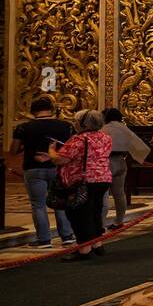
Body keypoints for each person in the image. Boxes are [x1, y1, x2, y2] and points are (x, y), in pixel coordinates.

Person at [46, 109, 113, 260]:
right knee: (95, 212)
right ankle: (98, 245)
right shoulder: (105, 137)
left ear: (84, 123)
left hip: (83, 181)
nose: (74, 124)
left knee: (79, 215)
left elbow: (60, 160)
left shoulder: (79, 139)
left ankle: (84, 249)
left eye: (76, 121)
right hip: (102, 179)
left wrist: (51, 150)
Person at [10, 96, 74, 247]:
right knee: (60, 202)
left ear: (32, 111)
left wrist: (26, 146)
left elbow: (13, 150)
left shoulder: (24, 127)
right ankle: (67, 236)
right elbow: (70, 148)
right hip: (57, 167)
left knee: (38, 205)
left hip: (33, 168)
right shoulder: (65, 126)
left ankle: (44, 240)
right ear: (51, 110)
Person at [101, 107, 150, 229]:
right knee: (119, 194)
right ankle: (119, 221)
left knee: (103, 194)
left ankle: (100, 224)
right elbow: (139, 147)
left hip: (106, 161)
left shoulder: (104, 129)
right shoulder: (125, 129)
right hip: (121, 162)